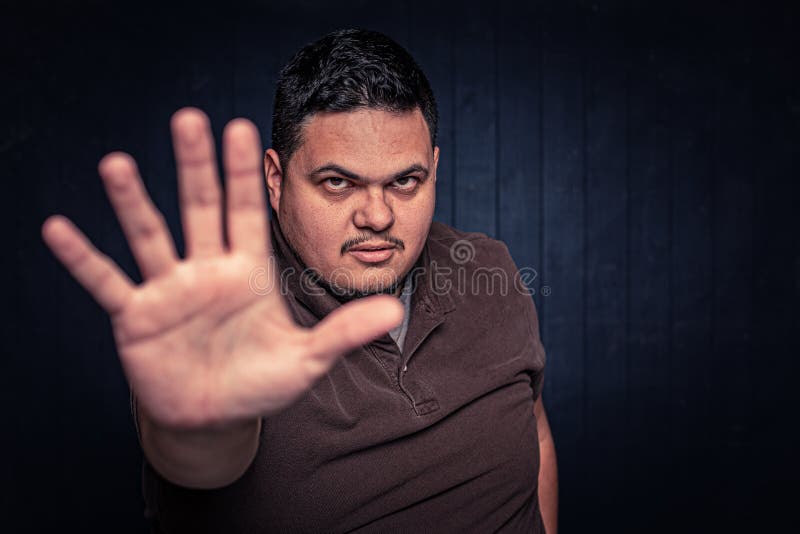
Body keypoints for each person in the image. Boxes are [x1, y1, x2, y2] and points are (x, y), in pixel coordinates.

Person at [41, 29, 558, 533]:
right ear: (276, 178)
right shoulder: (225, 315)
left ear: (434, 170)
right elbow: (201, 457)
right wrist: (204, 422)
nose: (377, 216)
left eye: (405, 181)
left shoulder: (489, 267)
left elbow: (532, 432)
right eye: (338, 182)